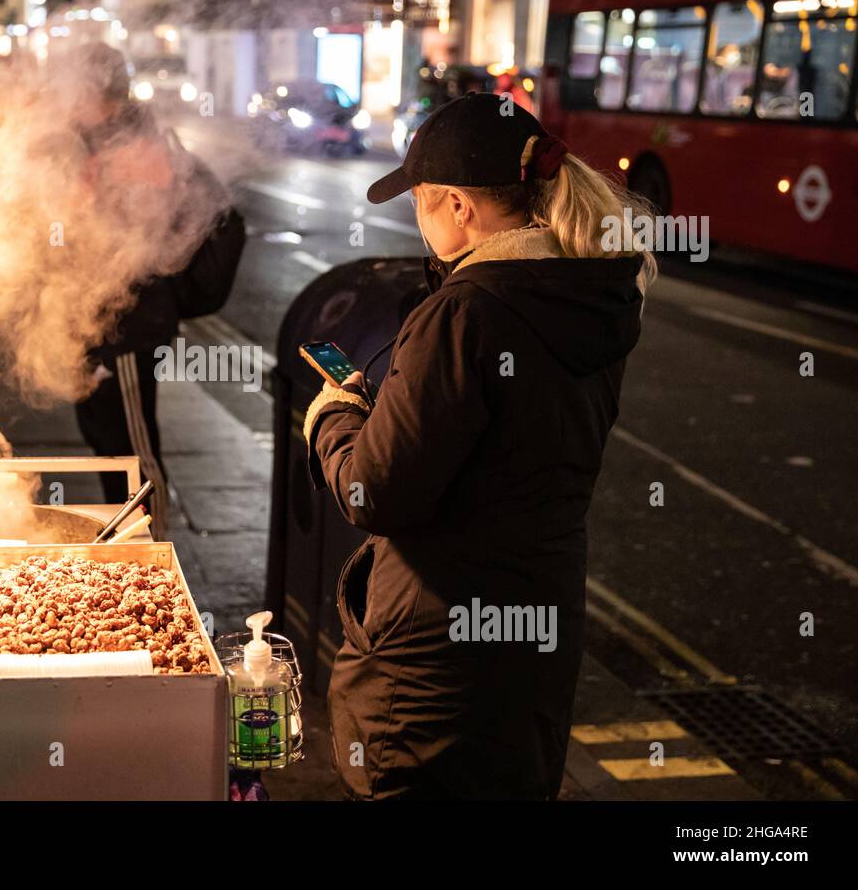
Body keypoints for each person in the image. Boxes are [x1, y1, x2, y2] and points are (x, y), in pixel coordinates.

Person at [304, 92, 657, 800]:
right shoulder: (591, 292)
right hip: (535, 645)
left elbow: (375, 491)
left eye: (422, 200)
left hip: (437, 672)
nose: (417, 217)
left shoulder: (466, 313)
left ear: (460, 208)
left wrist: (334, 420)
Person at [63, 44, 244, 538]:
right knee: (108, 445)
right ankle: (126, 546)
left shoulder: (133, 146)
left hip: (128, 325)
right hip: (98, 321)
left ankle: (154, 556)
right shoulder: (95, 139)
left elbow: (128, 238)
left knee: (134, 453)